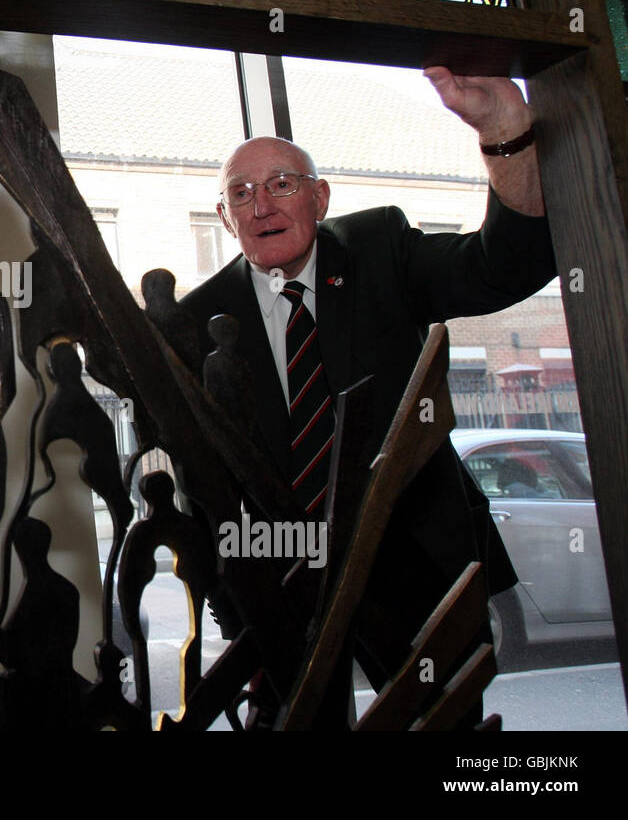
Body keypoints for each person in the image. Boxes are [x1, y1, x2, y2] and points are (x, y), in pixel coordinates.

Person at [177, 67, 557, 711]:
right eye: (240, 193)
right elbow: (198, 474)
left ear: (319, 199)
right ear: (223, 215)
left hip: (412, 561)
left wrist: (504, 135)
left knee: (443, 727)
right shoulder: (197, 320)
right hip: (280, 580)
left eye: (281, 185)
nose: (262, 205)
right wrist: (226, 600)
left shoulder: (380, 248)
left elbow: (501, 269)